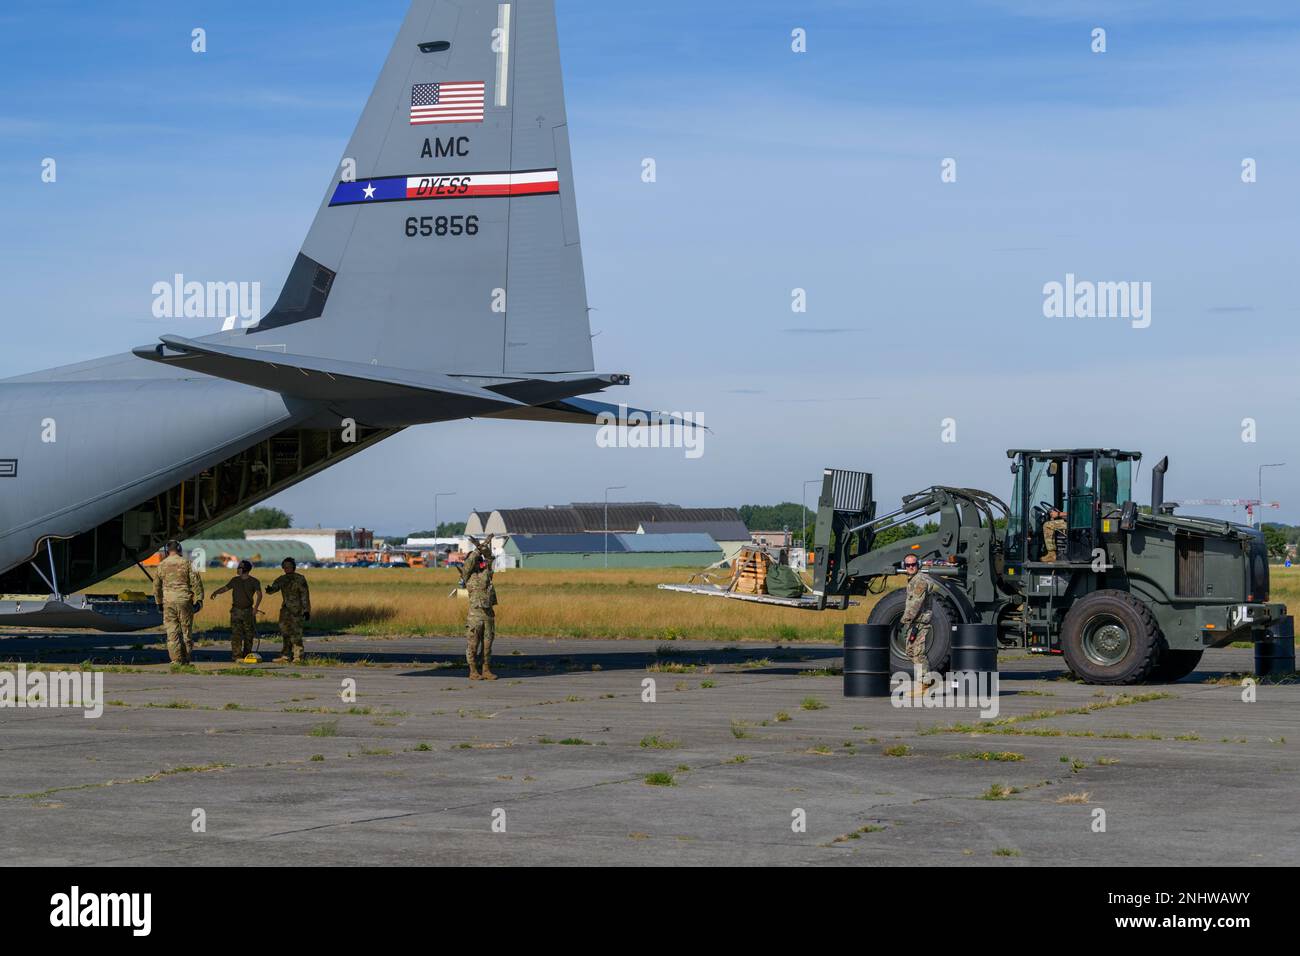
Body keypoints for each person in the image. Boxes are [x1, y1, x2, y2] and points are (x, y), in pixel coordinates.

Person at [153, 540, 204, 665]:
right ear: (179, 550)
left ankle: (176, 661)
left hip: (168, 602)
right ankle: (186, 659)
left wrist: (158, 603)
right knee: (186, 631)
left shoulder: (161, 565)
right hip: (184, 601)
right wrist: (199, 599)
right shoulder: (187, 563)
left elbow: (156, 587)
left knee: (172, 632)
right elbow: (196, 583)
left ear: (166, 551)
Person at [899, 555, 939, 695]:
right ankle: (927, 681)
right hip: (915, 623)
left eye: (913, 564)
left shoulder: (920, 581)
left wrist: (904, 620)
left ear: (919, 564)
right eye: (908, 565)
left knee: (918, 653)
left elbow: (915, 604)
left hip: (920, 622)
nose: (910, 567)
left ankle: (924, 684)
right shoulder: (914, 580)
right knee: (911, 651)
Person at [459, 536, 498, 681]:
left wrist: (484, 548)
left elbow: (490, 559)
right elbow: (468, 564)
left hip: (488, 615)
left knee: (487, 645)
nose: (476, 562)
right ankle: (473, 671)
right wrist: (476, 550)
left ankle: (486, 670)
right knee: (473, 645)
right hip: (475, 616)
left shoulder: (486, 574)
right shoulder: (467, 576)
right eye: (475, 560)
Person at [211, 560, 263, 661]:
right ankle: (237, 656)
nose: (237, 569)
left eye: (239, 567)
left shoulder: (254, 581)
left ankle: (247, 655)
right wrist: (216, 592)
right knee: (236, 634)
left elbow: (259, 595)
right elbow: (225, 588)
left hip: (248, 611)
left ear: (244, 569)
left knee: (249, 635)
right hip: (236, 611)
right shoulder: (235, 580)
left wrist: (255, 608)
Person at [266, 557, 311, 664]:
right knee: (285, 633)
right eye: (285, 567)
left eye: (289, 566)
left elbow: (305, 595)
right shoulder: (281, 579)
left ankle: (298, 656)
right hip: (285, 610)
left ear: (294, 567)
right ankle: (286, 656)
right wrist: (269, 589)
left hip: (297, 610)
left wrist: (306, 610)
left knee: (296, 634)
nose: (287, 568)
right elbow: (273, 589)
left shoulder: (300, 579)